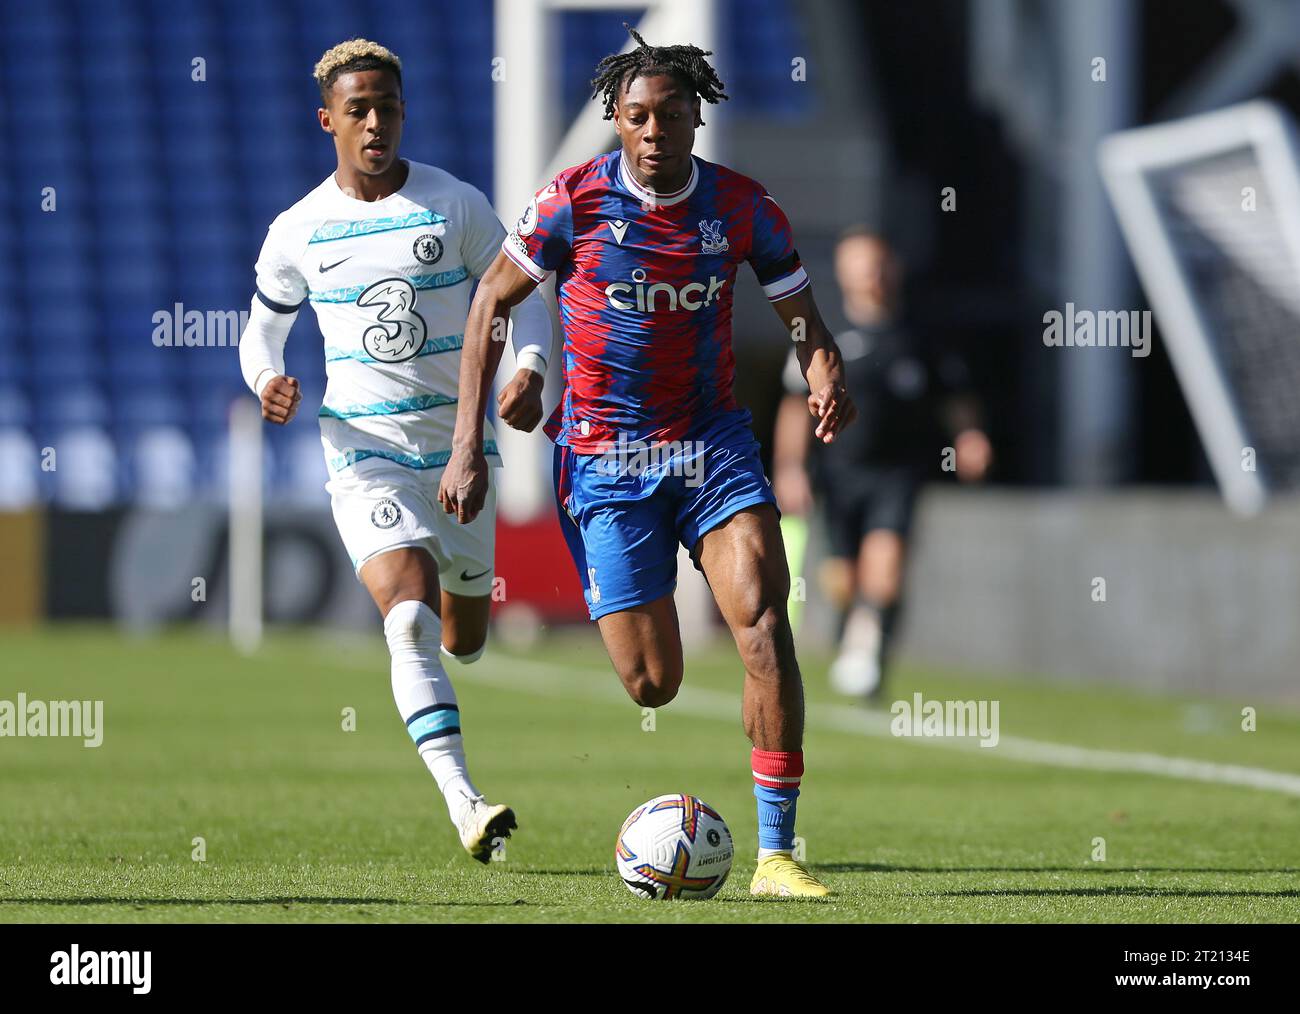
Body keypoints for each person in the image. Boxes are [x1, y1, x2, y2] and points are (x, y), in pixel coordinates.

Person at [439, 26, 856, 898]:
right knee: (653, 684)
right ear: (616, 123)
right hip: (603, 457)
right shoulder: (572, 202)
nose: (656, 129)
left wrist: (823, 370)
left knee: (764, 626)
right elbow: (490, 302)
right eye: (638, 116)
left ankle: (777, 854)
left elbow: (800, 315)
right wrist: (472, 438)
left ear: (697, 117)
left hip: (712, 443)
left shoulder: (743, 208)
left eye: (671, 113)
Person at [237, 39, 555, 862]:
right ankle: (466, 803)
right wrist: (266, 378)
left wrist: (530, 366)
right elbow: (260, 334)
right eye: (358, 110)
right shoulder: (299, 229)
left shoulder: (455, 206)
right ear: (328, 122)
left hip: (461, 454)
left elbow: (526, 296)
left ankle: (464, 618)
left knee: (465, 636)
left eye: (388, 107)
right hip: (362, 451)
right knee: (407, 618)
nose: (376, 122)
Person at [773, 229, 991, 699]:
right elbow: (794, 406)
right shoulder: (821, 336)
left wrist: (969, 437)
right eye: (860, 265)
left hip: (897, 474)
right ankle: (857, 636)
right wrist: (790, 467)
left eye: (878, 264)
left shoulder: (921, 336)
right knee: (843, 581)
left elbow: (954, 397)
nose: (871, 275)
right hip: (837, 475)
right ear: (845, 272)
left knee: (886, 568)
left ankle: (868, 649)